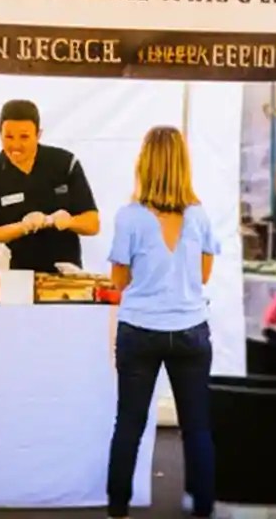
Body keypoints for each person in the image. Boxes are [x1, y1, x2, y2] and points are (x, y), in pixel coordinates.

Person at [105, 127, 219, 519]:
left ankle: (117, 510)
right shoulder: (200, 215)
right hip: (191, 329)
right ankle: (203, 508)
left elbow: (119, 281)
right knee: (197, 428)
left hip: (140, 329)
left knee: (129, 424)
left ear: (144, 163)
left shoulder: (129, 217)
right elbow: (203, 275)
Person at [0, 100, 100, 272]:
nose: (15, 145)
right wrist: (22, 227)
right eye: (9, 137)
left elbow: (92, 223)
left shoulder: (65, 164)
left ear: (39, 134)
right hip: (10, 280)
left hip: (64, 279)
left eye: (24, 137)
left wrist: (66, 221)